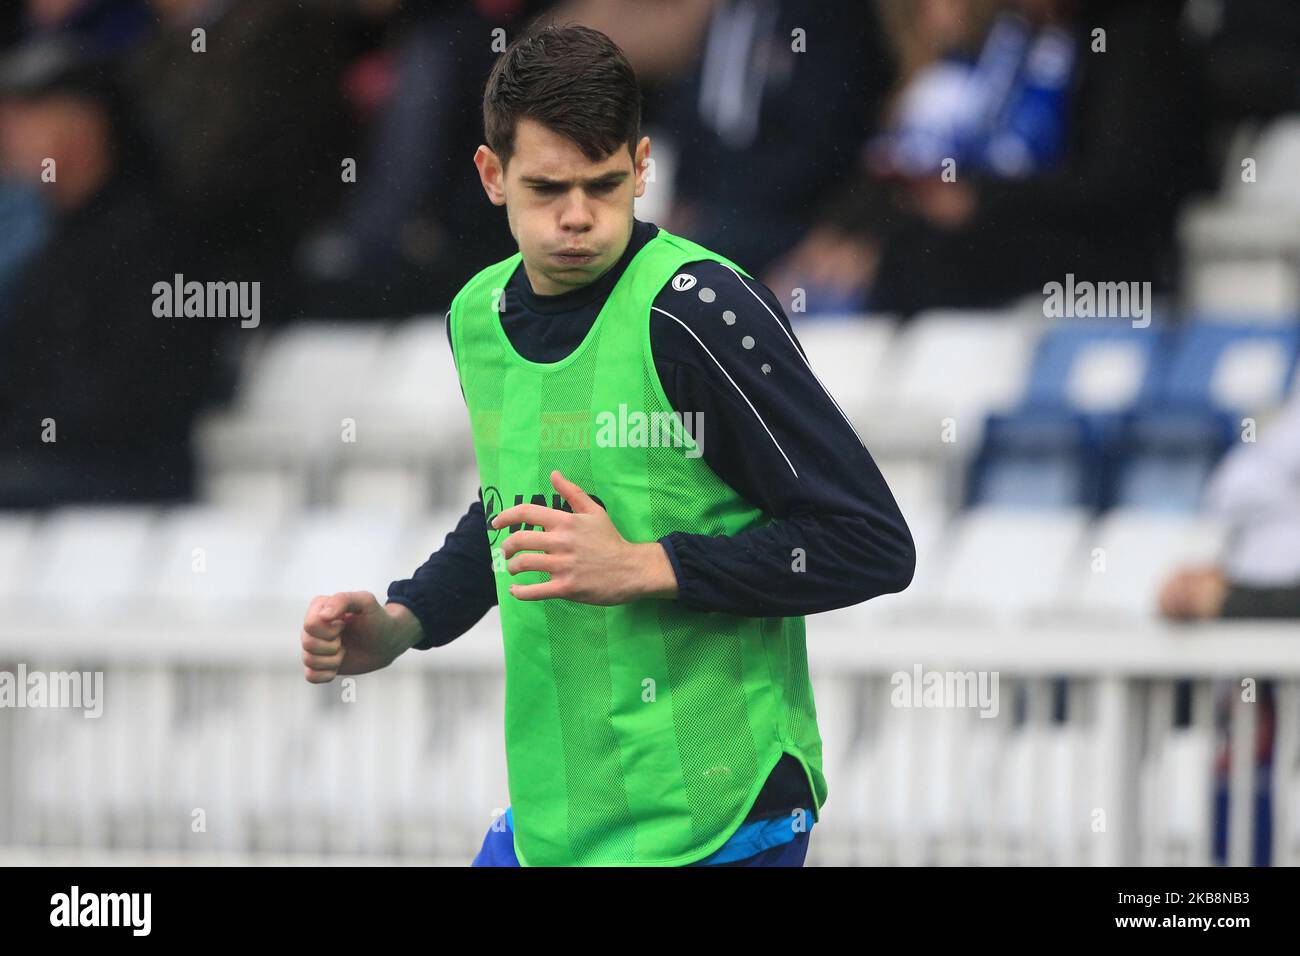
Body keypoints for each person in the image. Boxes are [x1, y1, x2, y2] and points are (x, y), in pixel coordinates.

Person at [297, 23, 915, 867]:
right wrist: (406, 621)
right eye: (548, 188)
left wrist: (648, 566)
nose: (580, 218)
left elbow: (871, 544)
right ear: (491, 175)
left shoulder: (700, 309)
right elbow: (512, 511)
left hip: (718, 816)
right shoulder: (477, 316)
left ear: (643, 165)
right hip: (558, 817)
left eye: (606, 184)